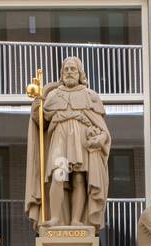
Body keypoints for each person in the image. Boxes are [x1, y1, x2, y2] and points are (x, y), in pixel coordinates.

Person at [25, 56, 110, 231]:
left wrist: (100, 139)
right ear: (61, 73)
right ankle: (55, 217)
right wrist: (39, 100)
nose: (69, 72)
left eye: (73, 69)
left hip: (81, 141)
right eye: (66, 69)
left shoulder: (90, 96)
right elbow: (41, 120)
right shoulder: (55, 95)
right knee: (58, 175)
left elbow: (102, 128)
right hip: (59, 139)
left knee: (79, 178)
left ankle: (76, 221)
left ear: (80, 73)